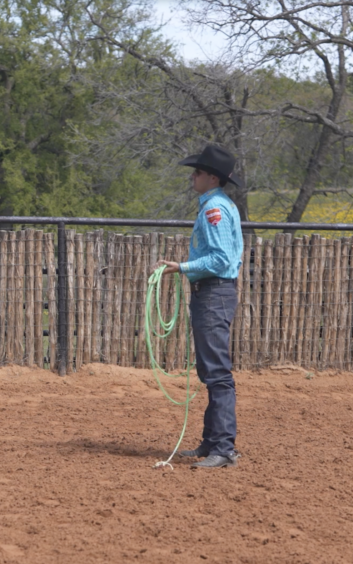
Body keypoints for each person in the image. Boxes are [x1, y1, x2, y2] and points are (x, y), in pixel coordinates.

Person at [155, 144, 243, 468]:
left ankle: (223, 447)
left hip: (213, 293)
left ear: (211, 177)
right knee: (211, 369)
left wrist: (182, 266)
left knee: (216, 372)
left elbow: (220, 258)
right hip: (217, 293)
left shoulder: (213, 210)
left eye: (197, 172)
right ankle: (212, 442)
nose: (193, 176)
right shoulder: (221, 206)